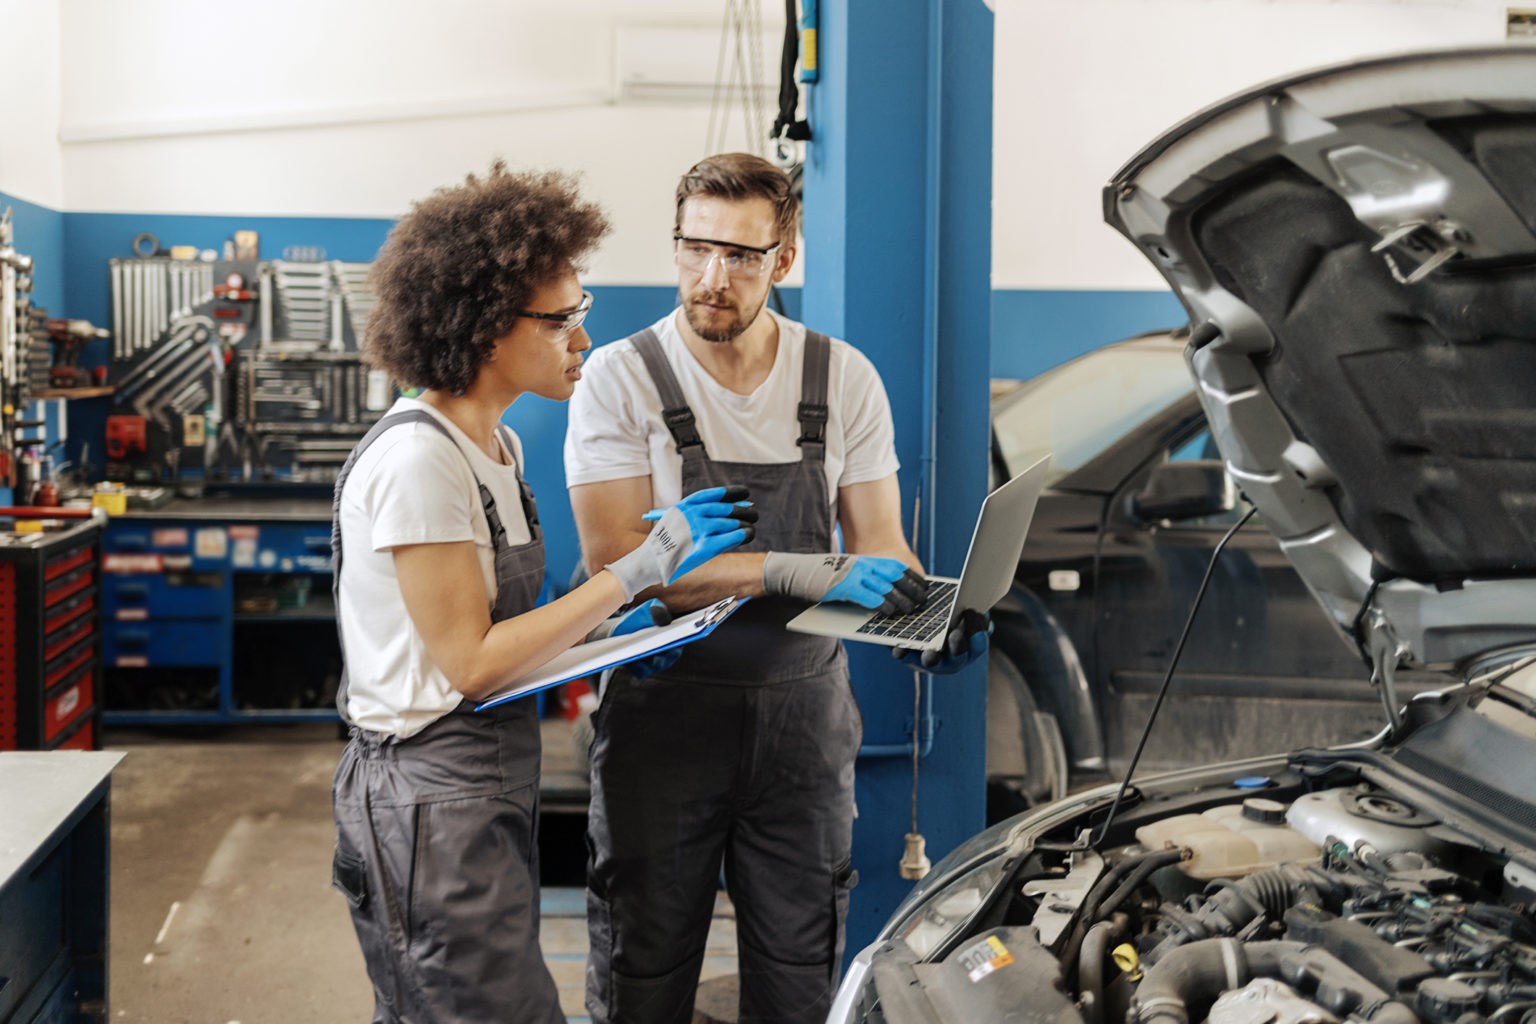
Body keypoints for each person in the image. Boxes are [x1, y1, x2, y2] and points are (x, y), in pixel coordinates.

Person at [564, 152, 990, 1024]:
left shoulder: (841, 378)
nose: (711, 278)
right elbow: (619, 563)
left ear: (783, 259)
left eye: (741, 257)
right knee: (643, 964)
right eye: (695, 249)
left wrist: (926, 617)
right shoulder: (622, 375)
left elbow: (879, 549)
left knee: (799, 968)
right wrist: (791, 569)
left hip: (804, 722)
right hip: (664, 719)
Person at [328, 163, 756, 1024]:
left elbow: (514, 634)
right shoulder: (422, 461)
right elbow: (475, 666)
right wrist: (633, 570)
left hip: (484, 781)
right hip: (429, 793)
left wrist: (634, 622)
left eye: (582, 317)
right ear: (485, 326)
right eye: (560, 321)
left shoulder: (497, 446)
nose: (581, 341)